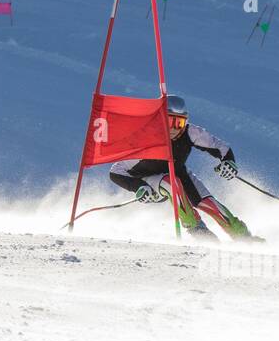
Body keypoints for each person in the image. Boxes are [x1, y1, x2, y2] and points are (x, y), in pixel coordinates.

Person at [109, 95, 259, 241]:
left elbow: (221, 147)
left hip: (179, 173)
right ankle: (197, 228)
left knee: (209, 204)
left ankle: (243, 237)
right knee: (170, 182)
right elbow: (115, 171)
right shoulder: (147, 139)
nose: (174, 129)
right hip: (151, 183)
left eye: (179, 123)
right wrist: (139, 187)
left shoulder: (190, 132)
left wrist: (228, 162)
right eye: (169, 122)